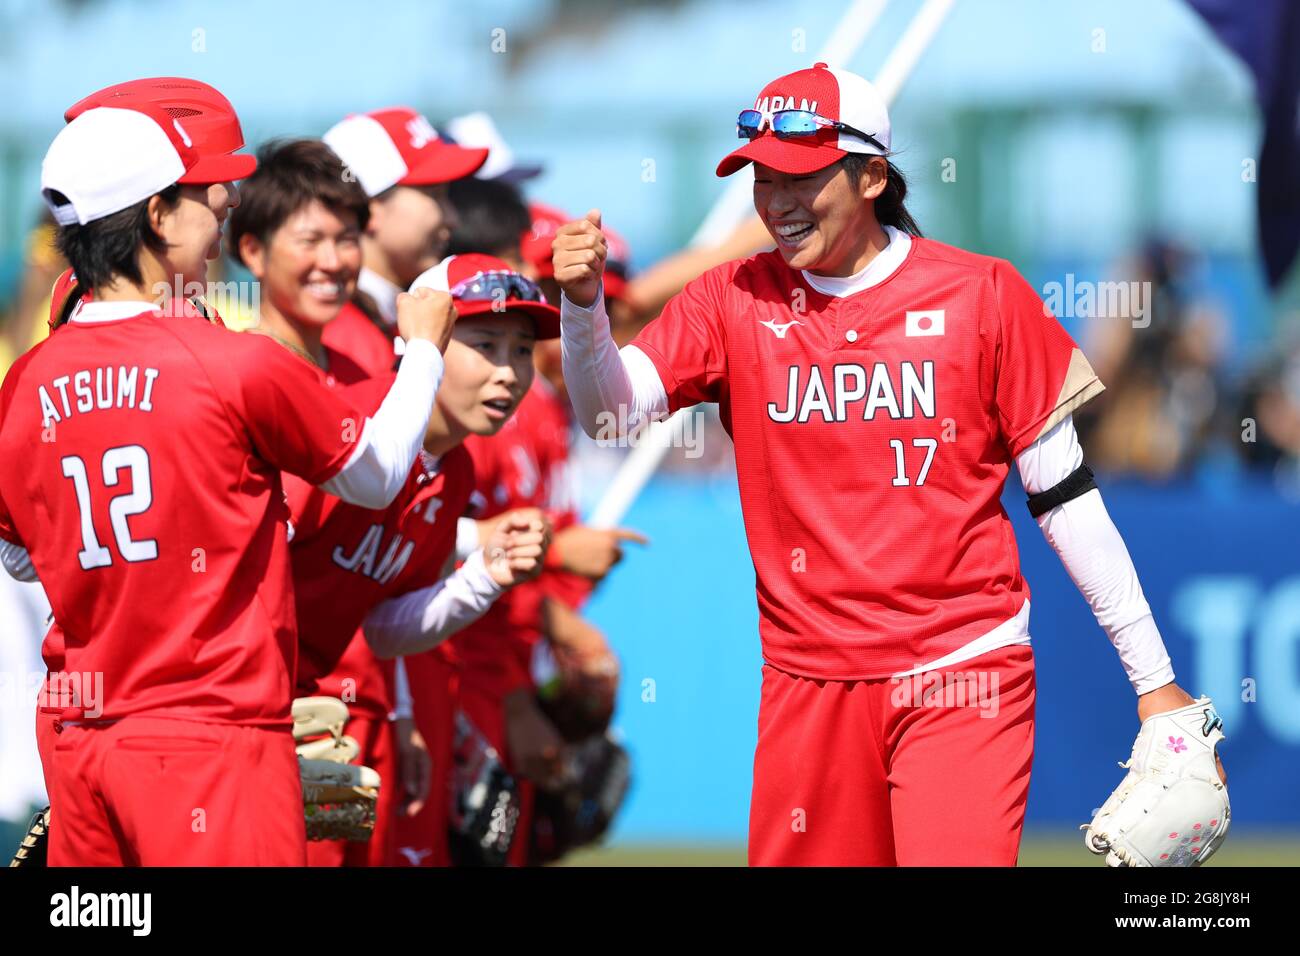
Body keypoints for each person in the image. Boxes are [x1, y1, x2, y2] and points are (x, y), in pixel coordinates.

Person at [552, 62, 1226, 866]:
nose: (777, 203)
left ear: (872, 175)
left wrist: (1155, 682)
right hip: (807, 682)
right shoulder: (731, 296)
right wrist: (584, 306)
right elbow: (608, 412)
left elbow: (1068, 499)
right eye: (764, 178)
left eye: (801, 177)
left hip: (964, 670)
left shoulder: (984, 295)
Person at [0, 89, 452, 866]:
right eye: (206, 191)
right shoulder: (229, 362)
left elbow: (22, 555)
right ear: (153, 216)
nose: (224, 206)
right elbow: (377, 476)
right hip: (213, 741)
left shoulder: (27, 379)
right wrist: (424, 352)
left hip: (80, 742)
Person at [283, 252, 557, 867]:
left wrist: (485, 578)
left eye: (521, 350)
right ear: (426, 342)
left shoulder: (453, 469)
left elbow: (383, 628)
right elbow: (235, 565)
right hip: (238, 707)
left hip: (318, 708)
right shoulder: (346, 419)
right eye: (485, 344)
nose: (510, 373)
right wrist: (254, 707)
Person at [322, 107, 487, 338]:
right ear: (370, 210)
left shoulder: (385, 316)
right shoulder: (338, 330)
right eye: (435, 195)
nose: (452, 219)